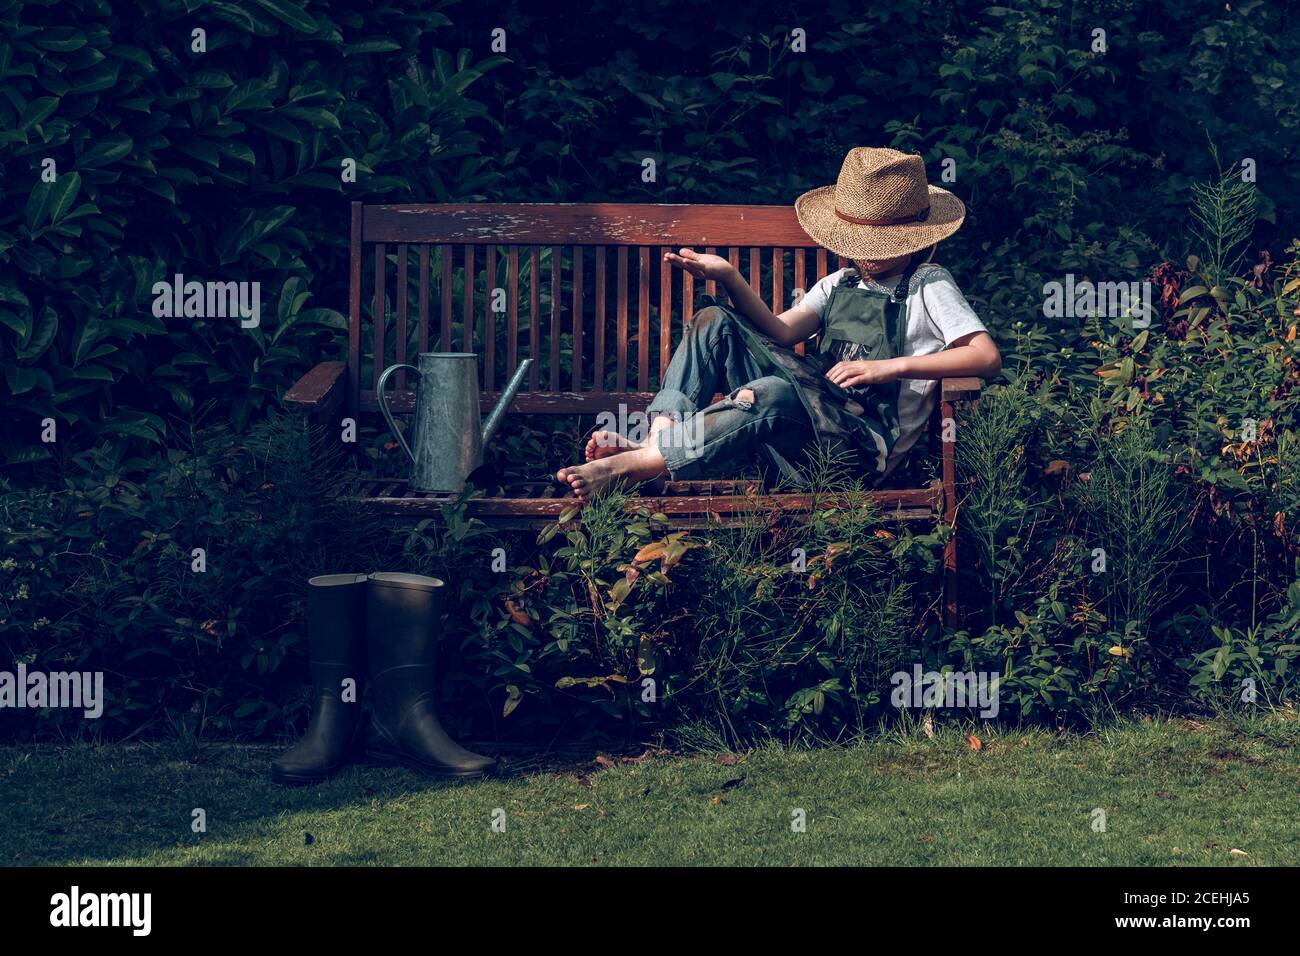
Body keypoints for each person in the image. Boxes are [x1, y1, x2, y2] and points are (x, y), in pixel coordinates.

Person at [555, 147, 1002, 499]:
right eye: (860, 241)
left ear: (912, 239)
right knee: (714, 320)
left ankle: (638, 463)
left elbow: (985, 356)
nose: (868, 254)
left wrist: (889, 367)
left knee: (769, 393)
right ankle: (657, 449)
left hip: (858, 455)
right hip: (807, 432)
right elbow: (781, 333)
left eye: (882, 242)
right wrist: (729, 277)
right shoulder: (841, 282)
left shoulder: (927, 283)